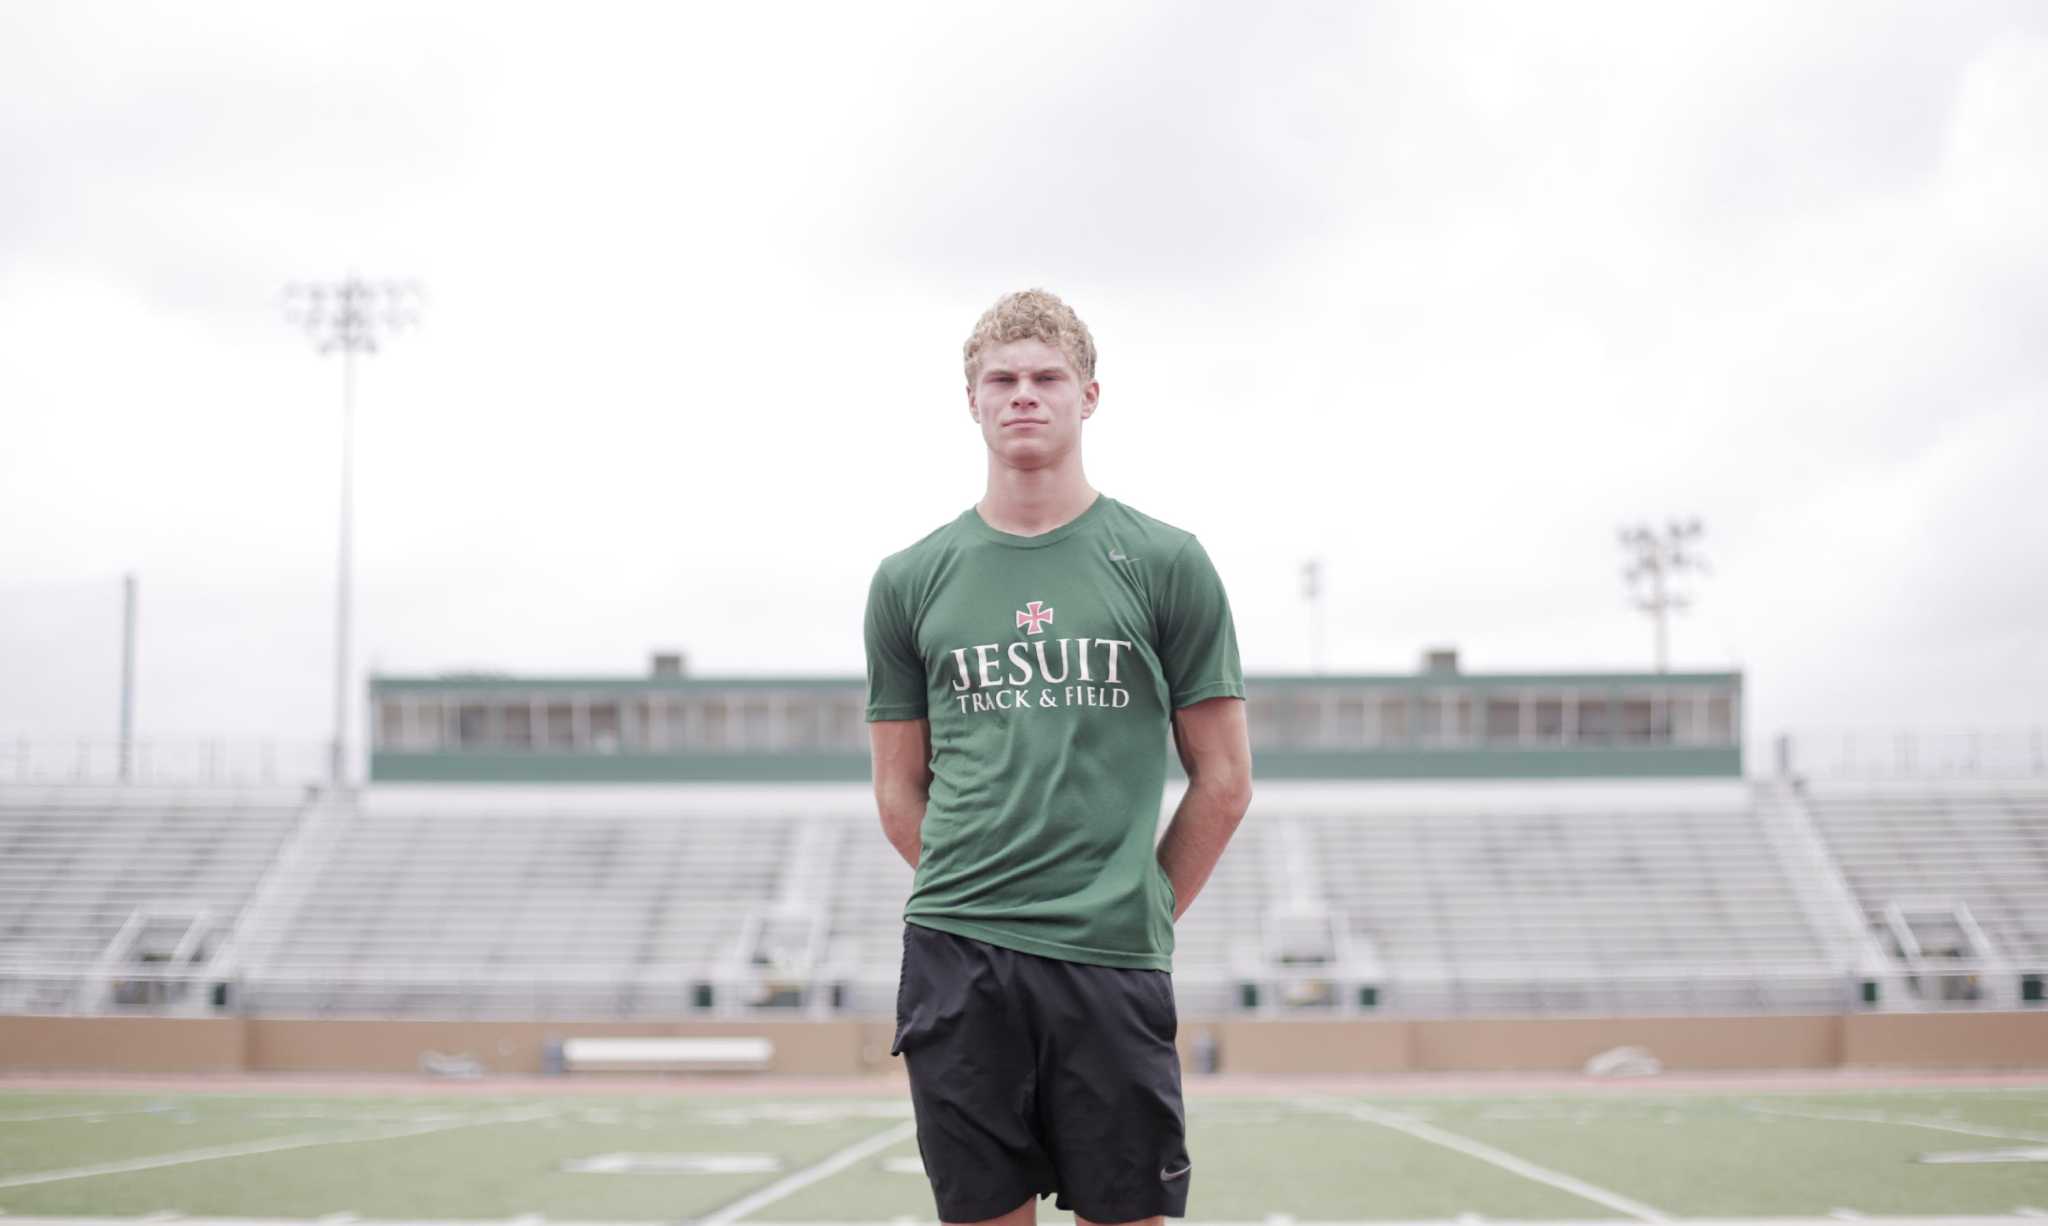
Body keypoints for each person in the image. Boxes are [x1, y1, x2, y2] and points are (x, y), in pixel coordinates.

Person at [863, 288, 1254, 1225]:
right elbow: (897, 786)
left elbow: (1225, 778)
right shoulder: (910, 579)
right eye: (1002, 379)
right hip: (958, 953)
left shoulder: (1165, 561)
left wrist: (1144, 904)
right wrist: (978, 894)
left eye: (1047, 377)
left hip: (1109, 957)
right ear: (972, 400)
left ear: (1090, 396)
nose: (1024, 395)